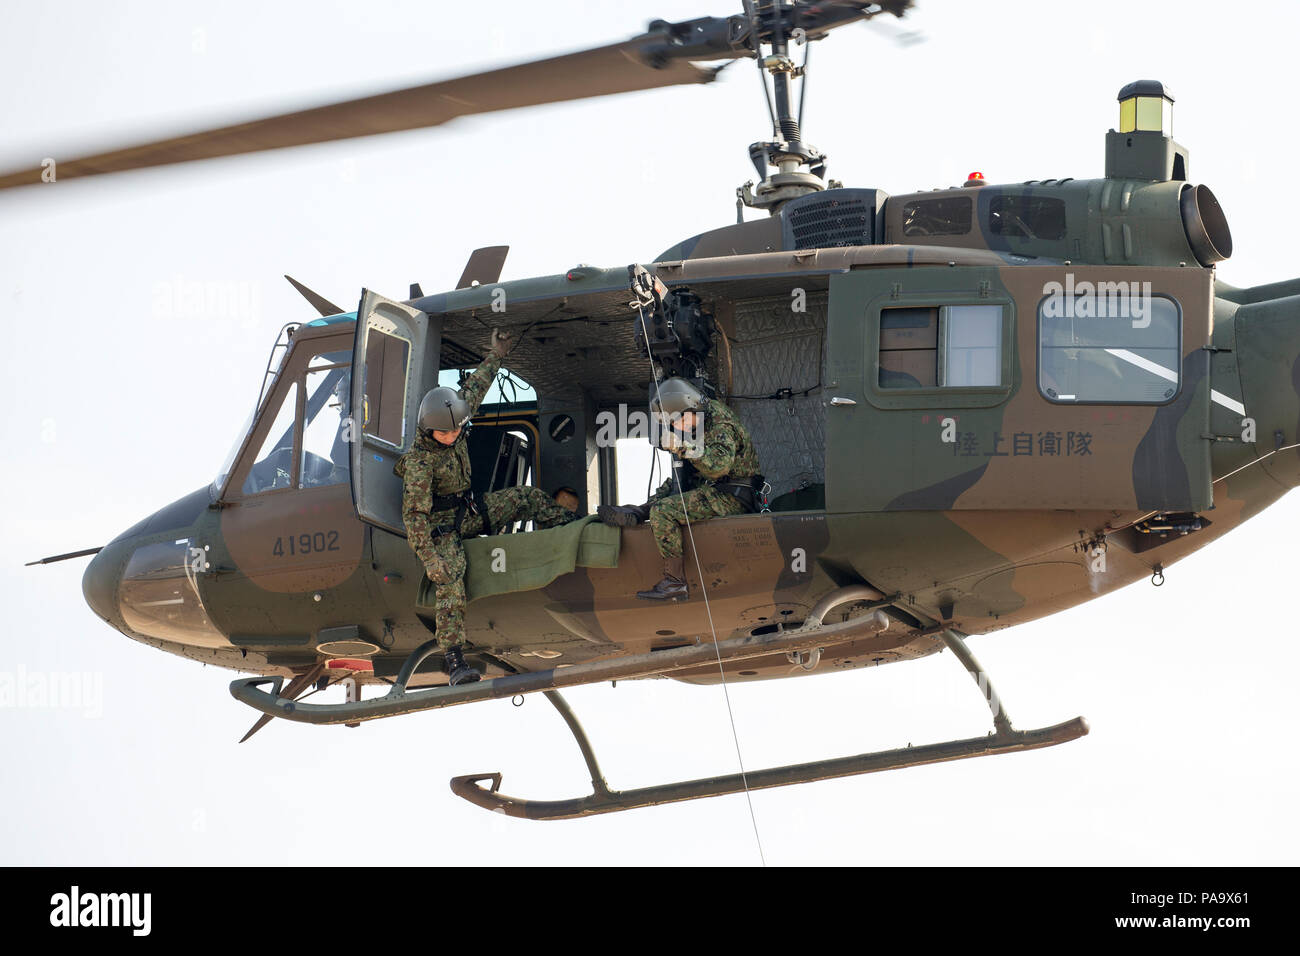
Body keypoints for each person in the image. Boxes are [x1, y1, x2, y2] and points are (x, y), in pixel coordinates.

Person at [396, 329, 579, 685]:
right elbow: (414, 517)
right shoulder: (421, 464)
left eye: (456, 431)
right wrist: (431, 559)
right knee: (451, 576)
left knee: (526, 499)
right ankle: (453, 658)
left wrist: (497, 353)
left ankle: (575, 525)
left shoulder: (454, 418)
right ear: (429, 431)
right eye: (444, 434)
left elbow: (475, 389)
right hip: (443, 527)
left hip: (471, 509)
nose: (452, 436)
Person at [598, 378, 761, 601]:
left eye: (678, 422)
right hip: (714, 487)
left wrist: (682, 447)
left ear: (690, 409)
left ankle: (674, 582)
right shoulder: (705, 415)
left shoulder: (721, 424)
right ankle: (639, 511)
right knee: (670, 487)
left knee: (663, 511)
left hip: (731, 497)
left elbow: (717, 466)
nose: (677, 428)